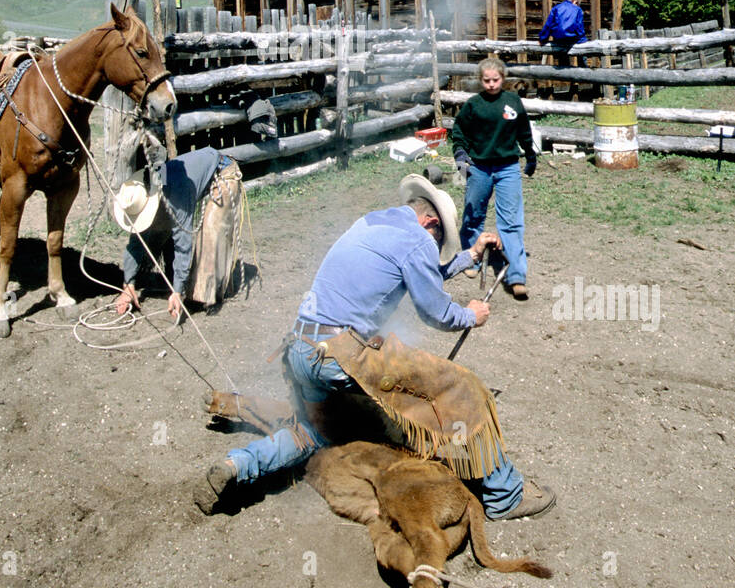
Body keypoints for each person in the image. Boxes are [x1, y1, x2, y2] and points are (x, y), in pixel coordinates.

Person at [195, 175, 555, 521]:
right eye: (437, 238)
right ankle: (505, 494)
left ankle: (237, 464)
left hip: (302, 348)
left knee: (314, 431)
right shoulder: (416, 241)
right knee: (462, 388)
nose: (434, 245)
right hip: (338, 354)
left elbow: (422, 271)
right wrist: (469, 315)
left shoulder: (373, 224)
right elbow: (435, 310)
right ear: (430, 221)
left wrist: (470, 257)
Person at [114, 147, 235, 318]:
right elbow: (135, 243)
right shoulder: (144, 188)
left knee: (210, 233)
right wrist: (128, 284)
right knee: (155, 232)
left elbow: (183, 243)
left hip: (223, 169)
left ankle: (206, 295)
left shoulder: (177, 196)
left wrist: (177, 292)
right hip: (180, 184)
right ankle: (171, 279)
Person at [452, 57, 535, 302]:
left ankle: (517, 275)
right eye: (486, 80)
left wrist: (530, 155)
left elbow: (524, 130)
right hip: (479, 167)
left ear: (503, 79)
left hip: (508, 166)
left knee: (510, 220)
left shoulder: (512, 102)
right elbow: (459, 132)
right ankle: (471, 259)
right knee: (473, 214)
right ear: (480, 80)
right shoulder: (473, 105)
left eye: (495, 80)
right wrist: (459, 153)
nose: (491, 84)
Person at [539, 0, 586, 65]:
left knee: (563, 60)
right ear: (575, 2)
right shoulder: (578, 10)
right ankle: (583, 71)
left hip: (558, 38)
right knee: (582, 55)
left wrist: (543, 39)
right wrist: (583, 40)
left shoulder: (556, 8)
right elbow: (579, 26)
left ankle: (564, 72)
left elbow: (548, 25)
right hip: (572, 38)